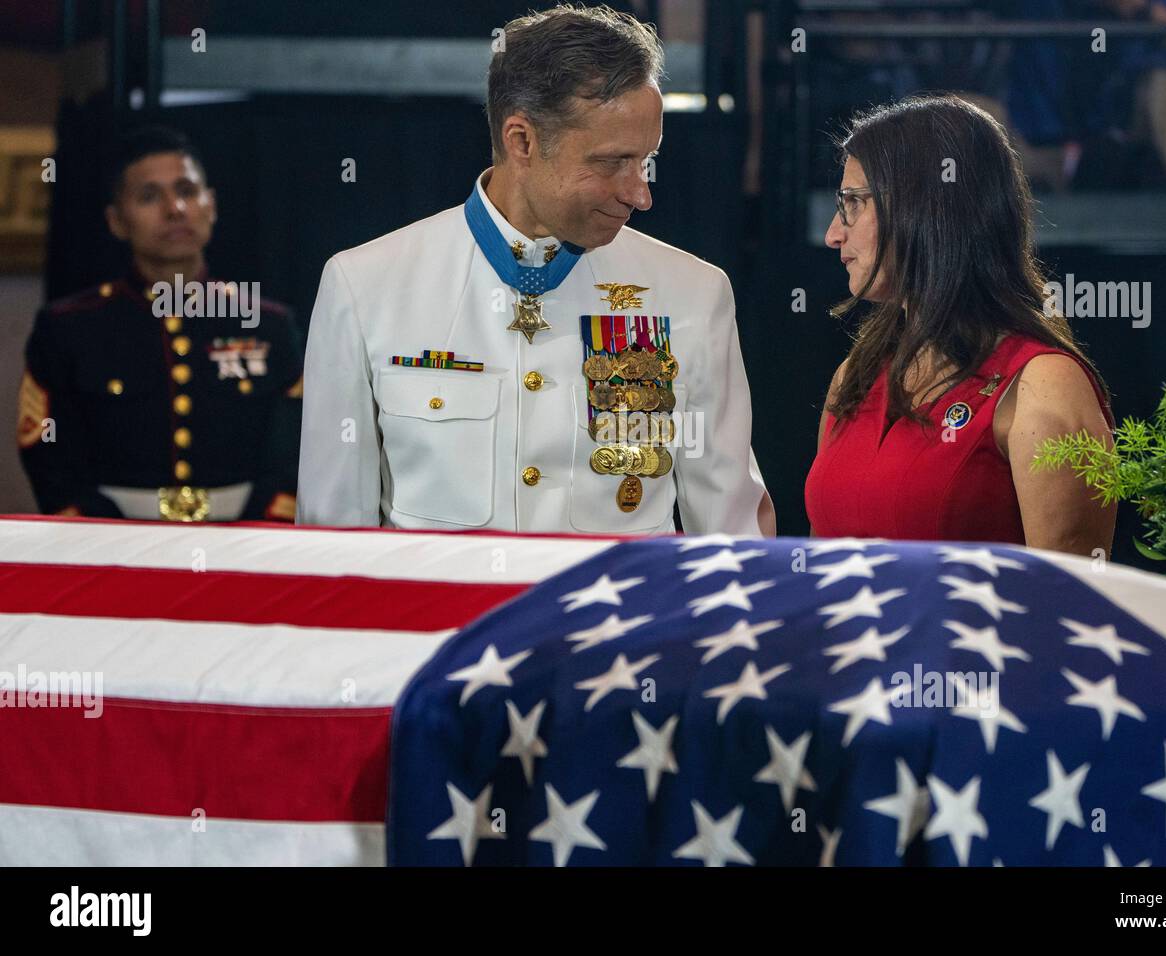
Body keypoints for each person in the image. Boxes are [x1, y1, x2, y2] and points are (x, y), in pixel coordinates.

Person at [297, 4, 775, 535]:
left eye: (645, 160)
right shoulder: (365, 286)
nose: (641, 193)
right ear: (520, 140)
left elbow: (732, 535)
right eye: (612, 162)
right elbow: (332, 538)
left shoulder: (692, 293)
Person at [805, 95, 1117, 556]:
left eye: (852, 202)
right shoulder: (855, 375)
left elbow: (1070, 606)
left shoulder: (1045, 385)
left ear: (926, 208)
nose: (834, 232)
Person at [17, 126, 303, 522]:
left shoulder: (268, 325)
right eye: (150, 196)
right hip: (108, 544)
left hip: (250, 539)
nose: (174, 209)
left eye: (187, 190)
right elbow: (49, 455)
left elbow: (296, 449)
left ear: (211, 205)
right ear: (117, 221)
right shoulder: (69, 328)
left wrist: (262, 531)